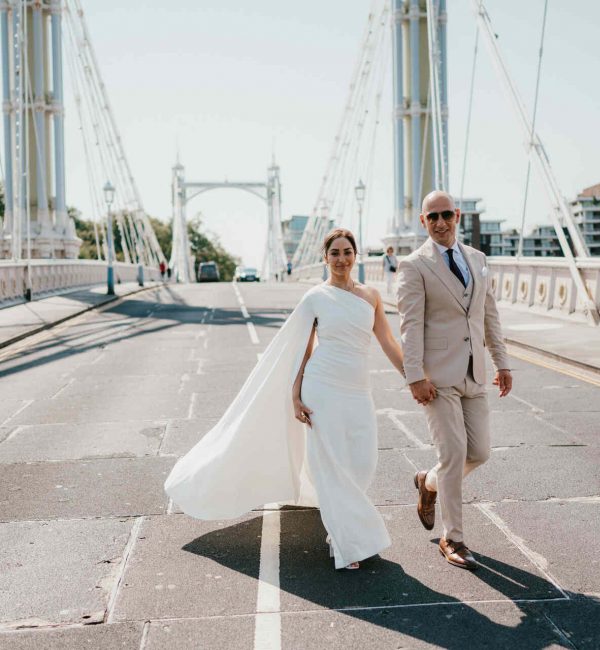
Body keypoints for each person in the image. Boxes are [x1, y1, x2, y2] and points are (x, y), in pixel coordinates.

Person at [165, 228, 404, 571]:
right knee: (332, 465)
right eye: (334, 253)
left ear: (356, 255)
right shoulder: (315, 298)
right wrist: (295, 394)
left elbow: (388, 341)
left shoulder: (371, 295)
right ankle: (346, 540)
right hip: (322, 388)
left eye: (347, 251)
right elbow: (301, 350)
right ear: (325, 258)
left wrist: (414, 378)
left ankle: (345, 524)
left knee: (362, 462)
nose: (341, 258)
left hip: (358, 389)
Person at [397, 191, 512, 571]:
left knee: (479, 452)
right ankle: (453, 538)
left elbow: (488, 316)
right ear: (423, 221)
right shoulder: (414, 266)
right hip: (437, 378)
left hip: (474, 372)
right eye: (433, 217)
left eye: (447, 215)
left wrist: (502, 363)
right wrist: (415, 375)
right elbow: (410, 325)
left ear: (458, 215)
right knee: (453, 455)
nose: (441, 222)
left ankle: (427, 482)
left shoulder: (478, 259)